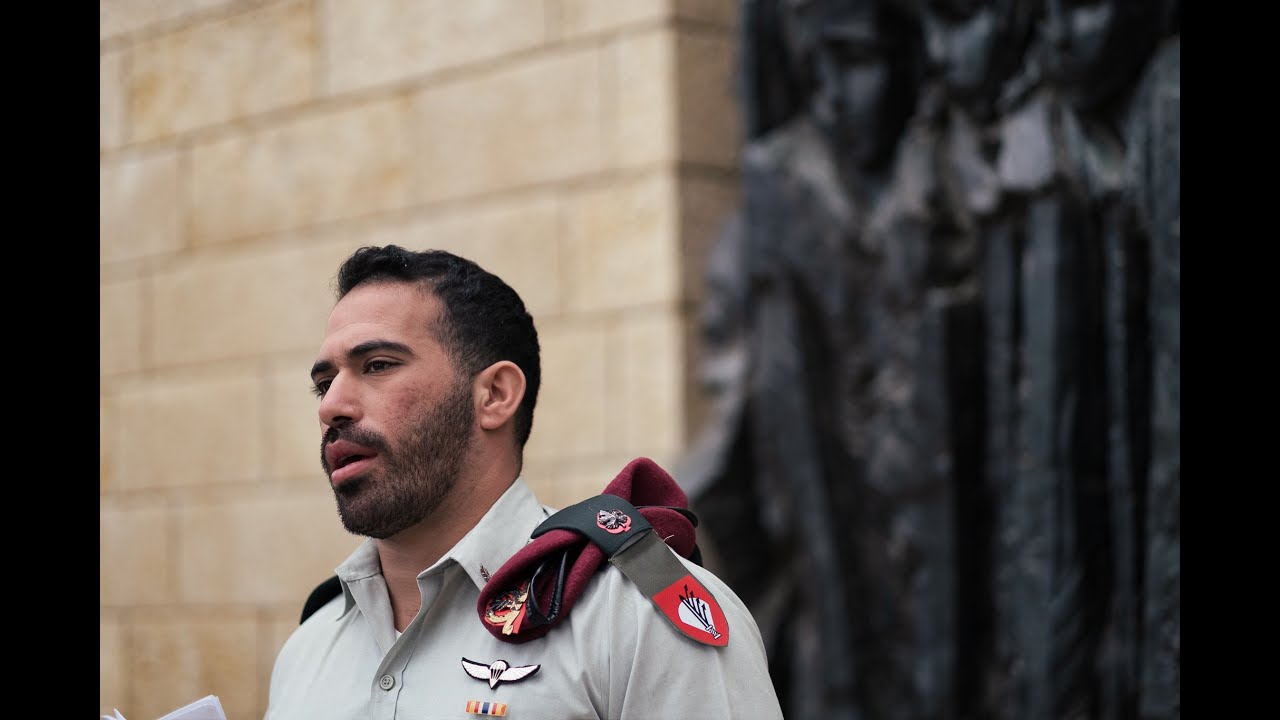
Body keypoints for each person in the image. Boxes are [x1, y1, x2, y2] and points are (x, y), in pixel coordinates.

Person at [264, 245, 784, 720]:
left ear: (494, 395)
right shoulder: (308, 649)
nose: (332, 406)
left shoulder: (634, 618)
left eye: (377, 365)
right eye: (324, 384)